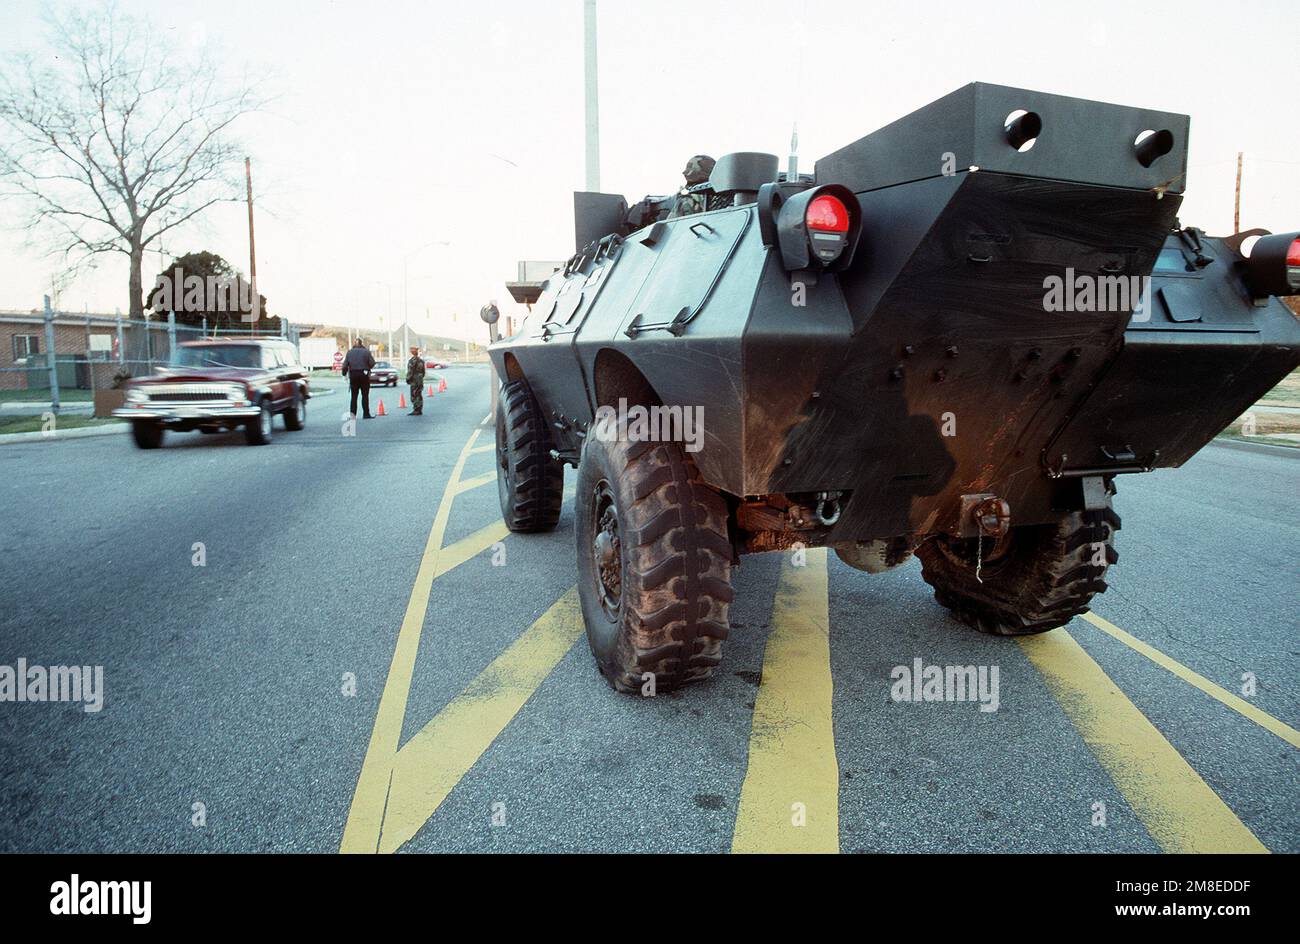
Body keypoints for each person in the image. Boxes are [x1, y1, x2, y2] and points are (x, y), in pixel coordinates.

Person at [342, 338, 375, 418]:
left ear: (354, 344)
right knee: (365, 395)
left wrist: (344, 374)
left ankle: (353, 415)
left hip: (353, 375)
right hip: (364, 374)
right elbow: (372, 363)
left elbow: (345, 365)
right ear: (361, 343)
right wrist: (367, 367)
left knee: (354, 396)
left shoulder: (349, 352)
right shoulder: (366, 352)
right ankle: (366, 414)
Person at [406, 345, 426, 416]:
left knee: (414, 394)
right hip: (420, 379)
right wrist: (420, 377)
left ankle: (416, 409)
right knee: (419, 394)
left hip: (414, 380)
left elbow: (410, 371)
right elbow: (423, 372)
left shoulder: (412, 361)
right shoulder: (421, 361)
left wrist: (408, 379)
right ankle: (419, 409)